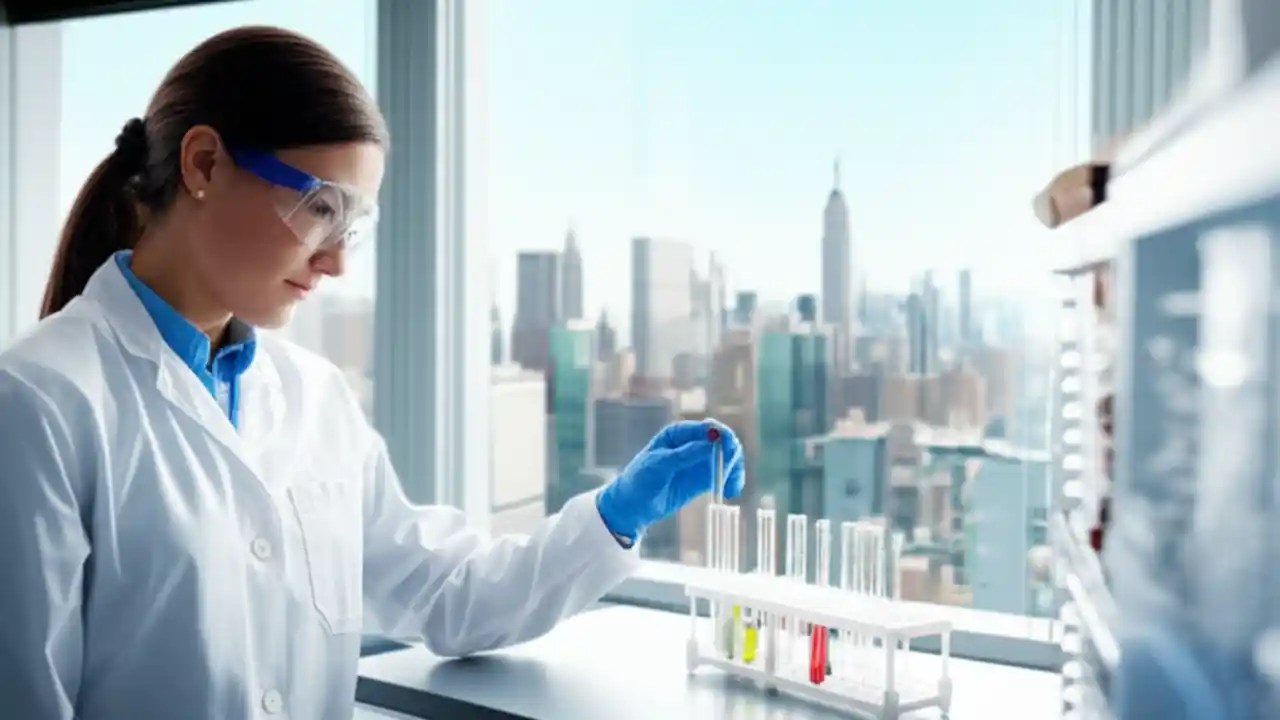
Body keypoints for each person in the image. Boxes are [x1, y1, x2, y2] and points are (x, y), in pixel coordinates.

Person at [0, 26, 745, 720]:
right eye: (318, 207)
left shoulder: (314, 399)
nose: (337, 260)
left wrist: (615, 514)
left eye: (351, 224)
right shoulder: (40, 402)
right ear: (203, 164)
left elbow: (446, 593)